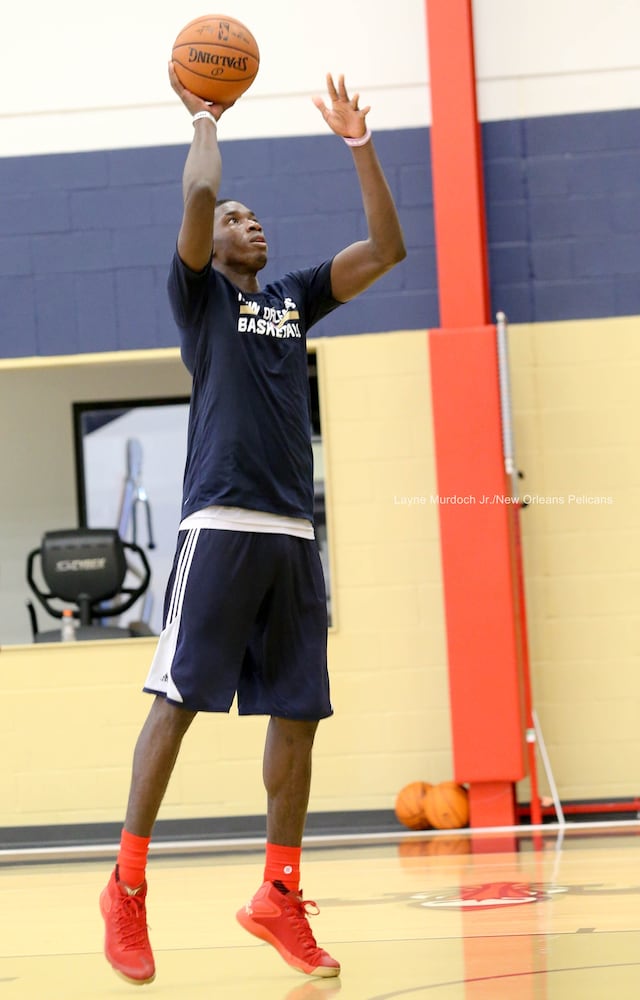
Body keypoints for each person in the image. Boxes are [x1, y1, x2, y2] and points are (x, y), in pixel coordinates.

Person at [99, 64, 406, 986]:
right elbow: (199, 189)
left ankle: (277, 894)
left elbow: (387, 248)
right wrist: (203, 115)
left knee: (300, 716)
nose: (248, 220)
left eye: (254, 216)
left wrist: (360, 145)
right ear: (212, 243)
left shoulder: (291, 298)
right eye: (238, 218)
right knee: (179, 703)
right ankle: (127, 884)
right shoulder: (202, 298)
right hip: (220, 522)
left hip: (293, 534)